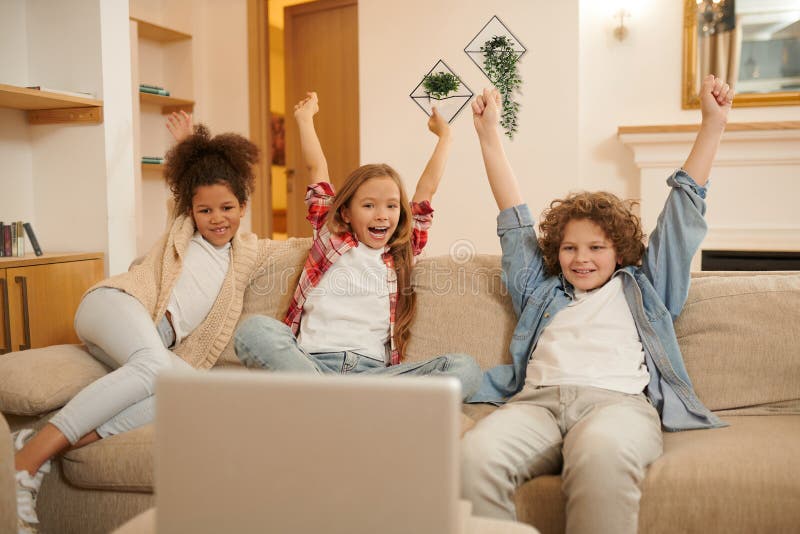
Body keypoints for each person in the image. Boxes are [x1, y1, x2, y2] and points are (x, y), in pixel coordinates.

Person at [460, 75, 734, 533]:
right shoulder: (540, 289)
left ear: (620, 252)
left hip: (617, 407)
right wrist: (489, 136)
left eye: (596, 248)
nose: (581, 259)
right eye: (570, 248)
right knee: (473, 456)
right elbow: (514, 218)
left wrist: (712, 125)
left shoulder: (646, 288)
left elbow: (683, 211)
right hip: (536, 407)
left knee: (600, 457)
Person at [13, 115, 263, 533]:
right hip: (116, 305)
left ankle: (41, 448)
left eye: (227, 208)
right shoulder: (182, 230)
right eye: (205, 210)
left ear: (243, 207)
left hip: (148, 344)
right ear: (191, 210)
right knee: (152, 362)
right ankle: (25, 465)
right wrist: (188, 146)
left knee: (194, 389)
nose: (216, 218)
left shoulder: (250, 254)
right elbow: (180, 190)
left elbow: (309, 244)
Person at [234, 92, 482, 399]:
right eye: (369, 205)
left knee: (465, 368)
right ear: (346, 213)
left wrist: (446, 136)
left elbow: (427, 188)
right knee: (254, 330)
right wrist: (304, 119)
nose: (382, 215)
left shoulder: (402, 253)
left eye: (392, 206)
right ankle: (335, 401)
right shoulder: (330, 237)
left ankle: (332, 402)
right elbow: (317, 168)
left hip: (374, 377)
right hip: (311, 365)